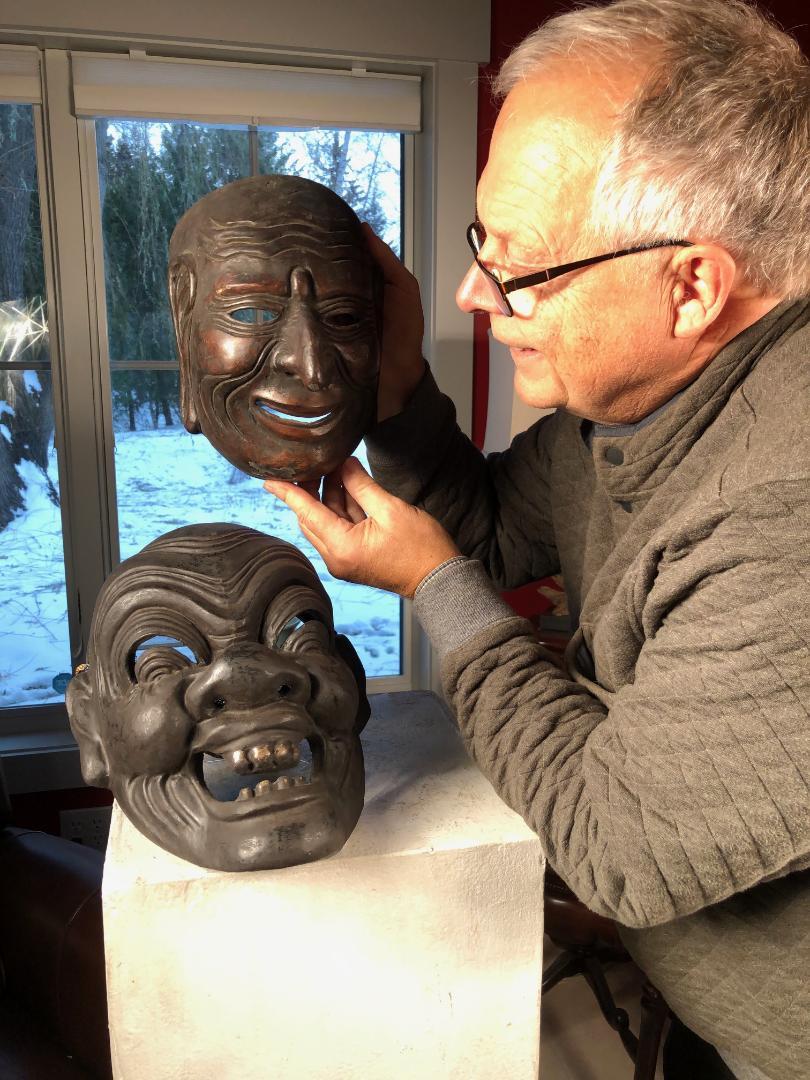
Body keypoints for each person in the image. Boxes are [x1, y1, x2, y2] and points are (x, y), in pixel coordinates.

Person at [264, 1, 810, 1076]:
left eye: (521, 262)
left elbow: (622, 844)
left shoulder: (787, 500)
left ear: (692, 284)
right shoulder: (635, 404)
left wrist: (435, 587)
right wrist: (401, 385)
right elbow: (502, 535)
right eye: (482, 242)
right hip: (708, 1012)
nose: (475, 293)